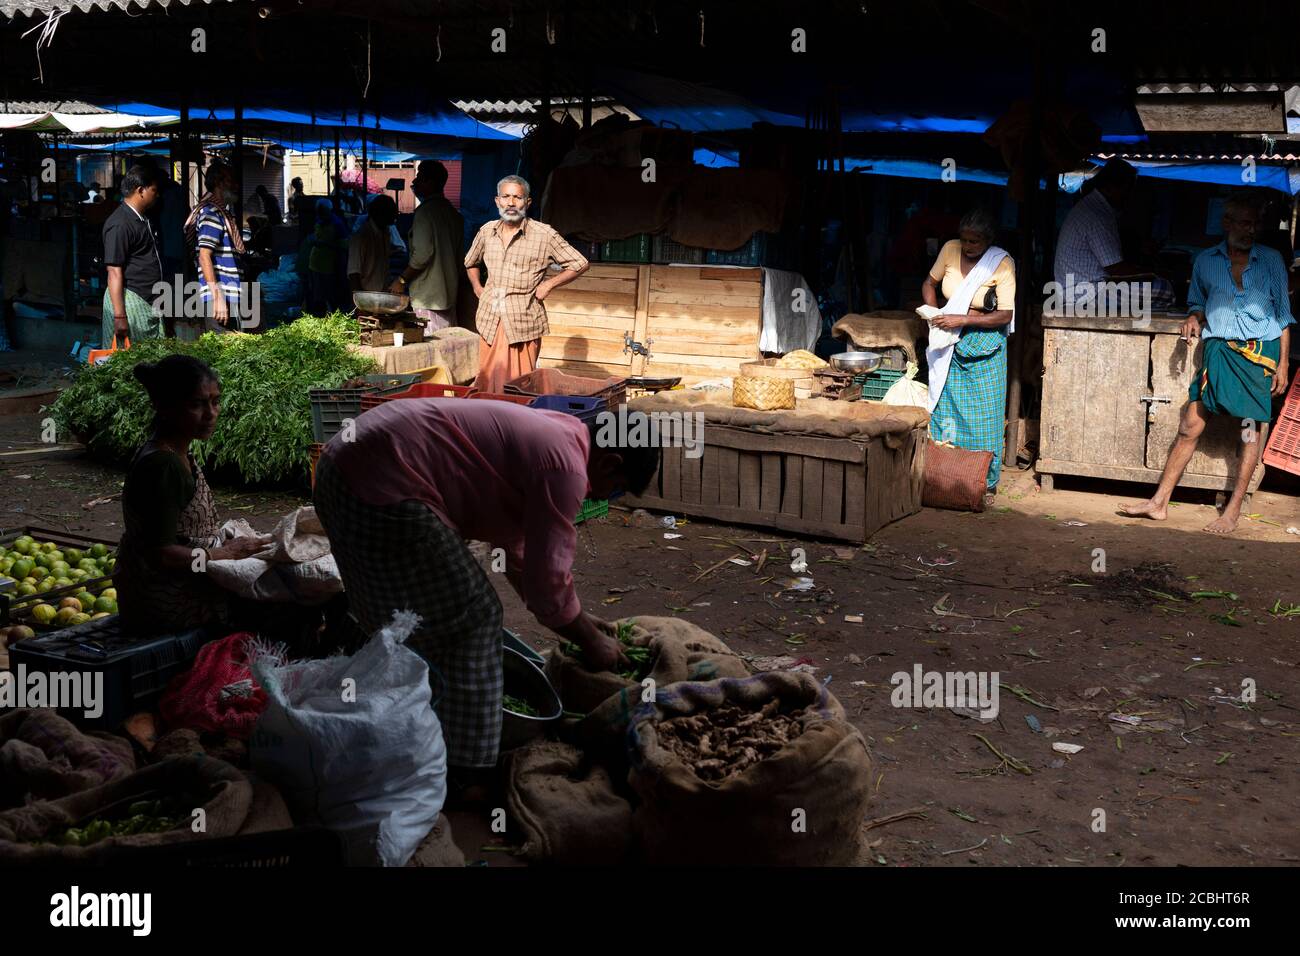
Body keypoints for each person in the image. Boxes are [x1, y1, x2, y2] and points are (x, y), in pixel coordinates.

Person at [313, 397, 660, 794]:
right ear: (610, 463)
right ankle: (464, 770)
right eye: (616, 491)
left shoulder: (561, 437)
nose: (605, 499)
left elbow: (522, 554)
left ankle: (379, 718)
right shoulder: (566, 466)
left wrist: (579, 620)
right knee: (476, 614)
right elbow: (548, 582)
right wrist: (591, 640)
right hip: (377, 478)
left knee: (407, 614)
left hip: (346, 468)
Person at [1122, 195, 1293, 534]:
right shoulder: (1205, 261)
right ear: (1226, 224)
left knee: (1248, 433)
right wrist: (1192, 317)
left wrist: (1283, 364)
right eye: (1243, 223)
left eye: (1254, 224)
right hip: (1218, 353)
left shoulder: (1271, 260)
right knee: (1190, 425)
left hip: (1258, 355)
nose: (1250, 230)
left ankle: (1232, 512)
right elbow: (1198, 302)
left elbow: (1284, 316)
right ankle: (1158, 503)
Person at [116, 356, 270, 635]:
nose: (211, 414)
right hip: (166, 600)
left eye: (215, 401)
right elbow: (160, 555)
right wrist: (220, 553)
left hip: (170, 583)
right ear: (164, 407)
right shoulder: (163, 466)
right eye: (196, 404)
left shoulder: (176, 453)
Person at [921, 207, 1016, 492]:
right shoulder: (949, 250)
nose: (968, 246)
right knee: (947, 408)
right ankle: (944, 474)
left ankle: (981, 480)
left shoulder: (1001, 263)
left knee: (983, 416)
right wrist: (934, 313)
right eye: (964, 239)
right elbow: (929, 283)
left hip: (985, 347)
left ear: (989, 241)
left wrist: (962, 318)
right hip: (950, 341)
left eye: (975, 241)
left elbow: (1005, 315)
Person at [465, 175, 589, 392]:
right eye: (506, 197)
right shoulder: (487, 231)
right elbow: (470, 262)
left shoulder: (544, 234)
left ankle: (516, 424)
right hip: (489, 318)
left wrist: (549, 284)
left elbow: (580, 263)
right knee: (485, 382)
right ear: (497, 201)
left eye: (517, 197)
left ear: (528, 202)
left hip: (523, 320)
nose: (511, 203)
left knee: (519, 386)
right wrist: (477, 287)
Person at [390, 160, 464, 334]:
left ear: (430, 182)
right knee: (449, 348)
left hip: (429, 299)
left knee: (433, 352)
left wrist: (401, 280)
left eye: (419, 178)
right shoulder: (453, 214)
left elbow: (422, 255)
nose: (414, 183)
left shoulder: (425, 212)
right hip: (449, 296)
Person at [101, 164, 165, 349]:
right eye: (154, 190)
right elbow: (113, 271)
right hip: (131, 302)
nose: (157, 195)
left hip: (149, 301)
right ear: (141, 190)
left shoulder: (143, 218)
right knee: (128, 363)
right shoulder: (120, 224)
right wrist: (120, 316)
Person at [183, 161, 246, 332]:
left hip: (227, 294)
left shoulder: (220, 213)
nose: (236, 186)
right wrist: (217, 297)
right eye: (231, 180)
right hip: (221, 296)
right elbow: (204, 256)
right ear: (218, 183)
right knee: (226, 350)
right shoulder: (211, 214)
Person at [347, 194, 397, 293]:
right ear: (380, 213)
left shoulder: (386, 233)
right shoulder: (361, 237)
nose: (395, 215)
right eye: (392, 212)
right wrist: (360, 303)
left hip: (381, 294)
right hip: (367, 296)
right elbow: (353, 274)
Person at [306, 198, 347, 314]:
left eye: (322, 212)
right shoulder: (319, 221)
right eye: (318, 212)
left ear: (329, 210)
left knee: (330, 296)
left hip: (329, 267)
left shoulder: (338, 224)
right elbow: (315, 235)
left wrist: (324, 244)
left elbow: (343, 246)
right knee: (317, 295)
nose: (320, 214)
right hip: (315, 265)